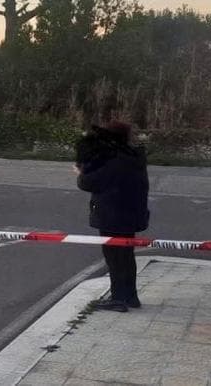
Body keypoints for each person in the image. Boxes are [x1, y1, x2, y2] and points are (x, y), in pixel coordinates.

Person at [75, 121, 150, 313]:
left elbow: (89, 182)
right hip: (130, 214)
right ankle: (130, 296)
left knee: (115, 258)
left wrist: (82, 171)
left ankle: (118, 298)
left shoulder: (114, 159)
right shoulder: (133, 156)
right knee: (126, 257)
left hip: (113, 215)